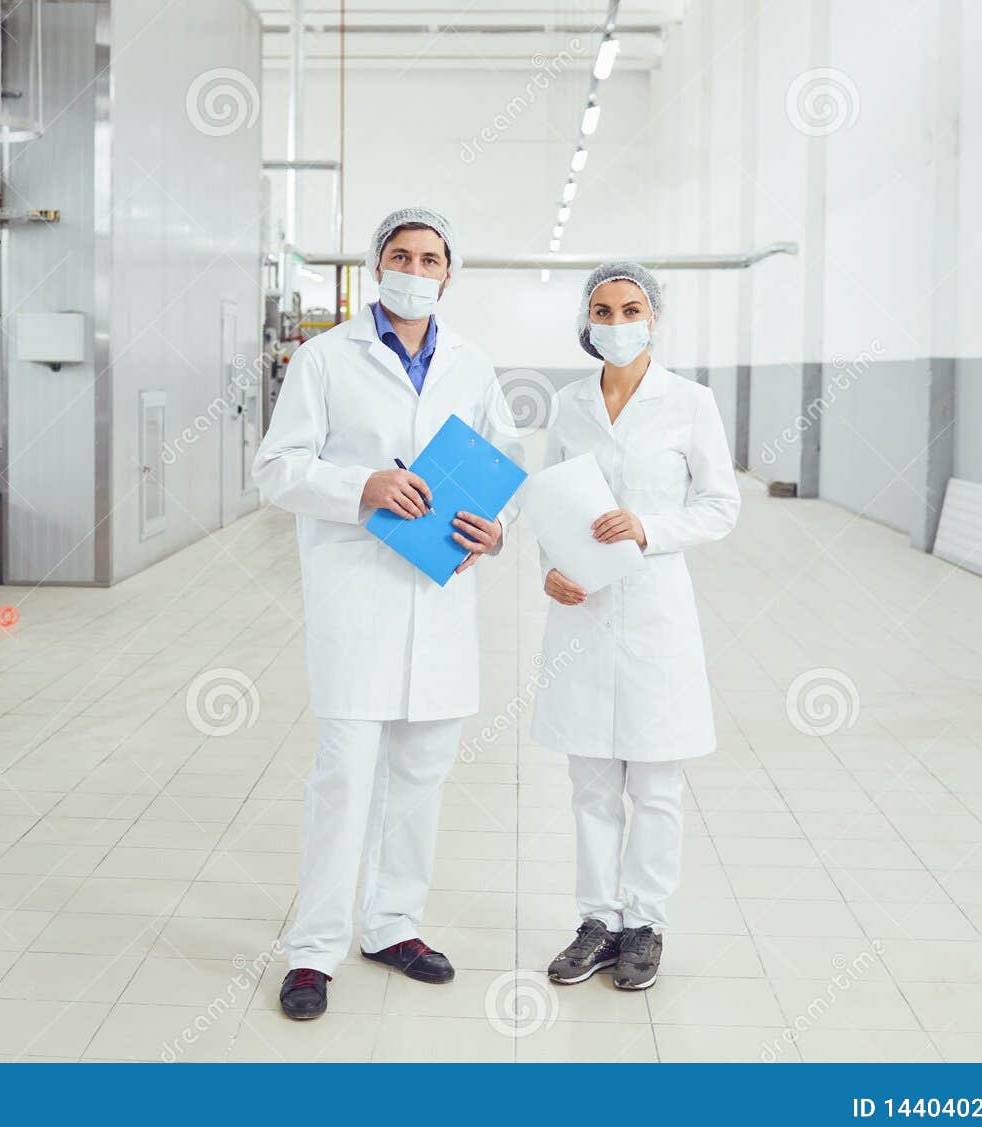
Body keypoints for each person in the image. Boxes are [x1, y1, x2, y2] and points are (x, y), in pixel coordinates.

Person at [253, 207, 522, 1020]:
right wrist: (359, 485)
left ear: (449, 273)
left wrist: (496, 529)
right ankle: (312, 949)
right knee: (344, 774)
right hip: (357, 594)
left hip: (439, 600)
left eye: (429, 256)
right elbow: (276, 468)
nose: (414, 266)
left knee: (422, 773)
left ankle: (393, 923)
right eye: (399, 254)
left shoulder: (473, 364)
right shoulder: (326, 356)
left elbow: (501, 460)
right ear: (379, 268)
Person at [532, 261, 739, 991]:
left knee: (654, 783)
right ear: (585, 323)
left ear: (654, 318)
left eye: (630, 308)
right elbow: (545, 498)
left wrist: (647, 528)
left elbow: (721, 505)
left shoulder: (690, 403)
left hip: (655, 610)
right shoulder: (568, 403)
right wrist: (550, 567)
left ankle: (644, 923)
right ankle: (598, 921)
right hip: (582, 609)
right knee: (589, 782)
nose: (616, 323)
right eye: (602, 310)